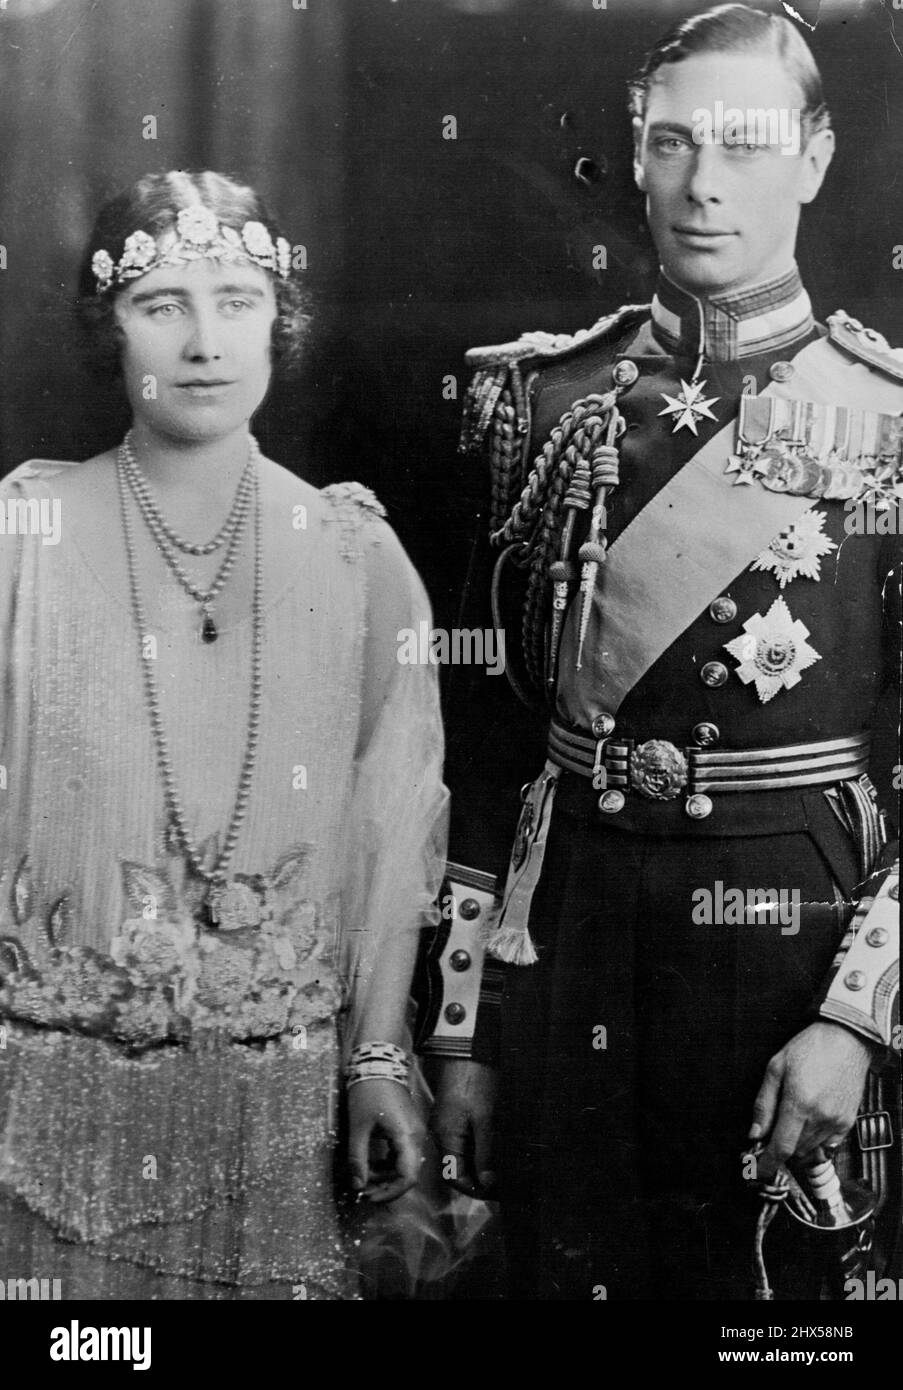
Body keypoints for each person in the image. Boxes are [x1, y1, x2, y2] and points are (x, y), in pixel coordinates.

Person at [420, 4, 901, 1299]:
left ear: (809, 156)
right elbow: (482, 738)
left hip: (789, 932)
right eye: (671, 142)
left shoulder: (883, 420)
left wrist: (855, 1020)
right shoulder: (534, 401)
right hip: (565, 927)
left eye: (741, 145)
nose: (700, 183)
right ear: (633, 155)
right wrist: (458, 1031)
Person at [0, 170, 448, 1299]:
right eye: (164, 305)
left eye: (238, 300)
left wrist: (380, 1053)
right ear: (111, 326)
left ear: (278, 323)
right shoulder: (21, 541)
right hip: (50, 1102)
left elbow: (391, 828)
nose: (205, 341)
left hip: (277, 1105)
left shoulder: (356, 553)